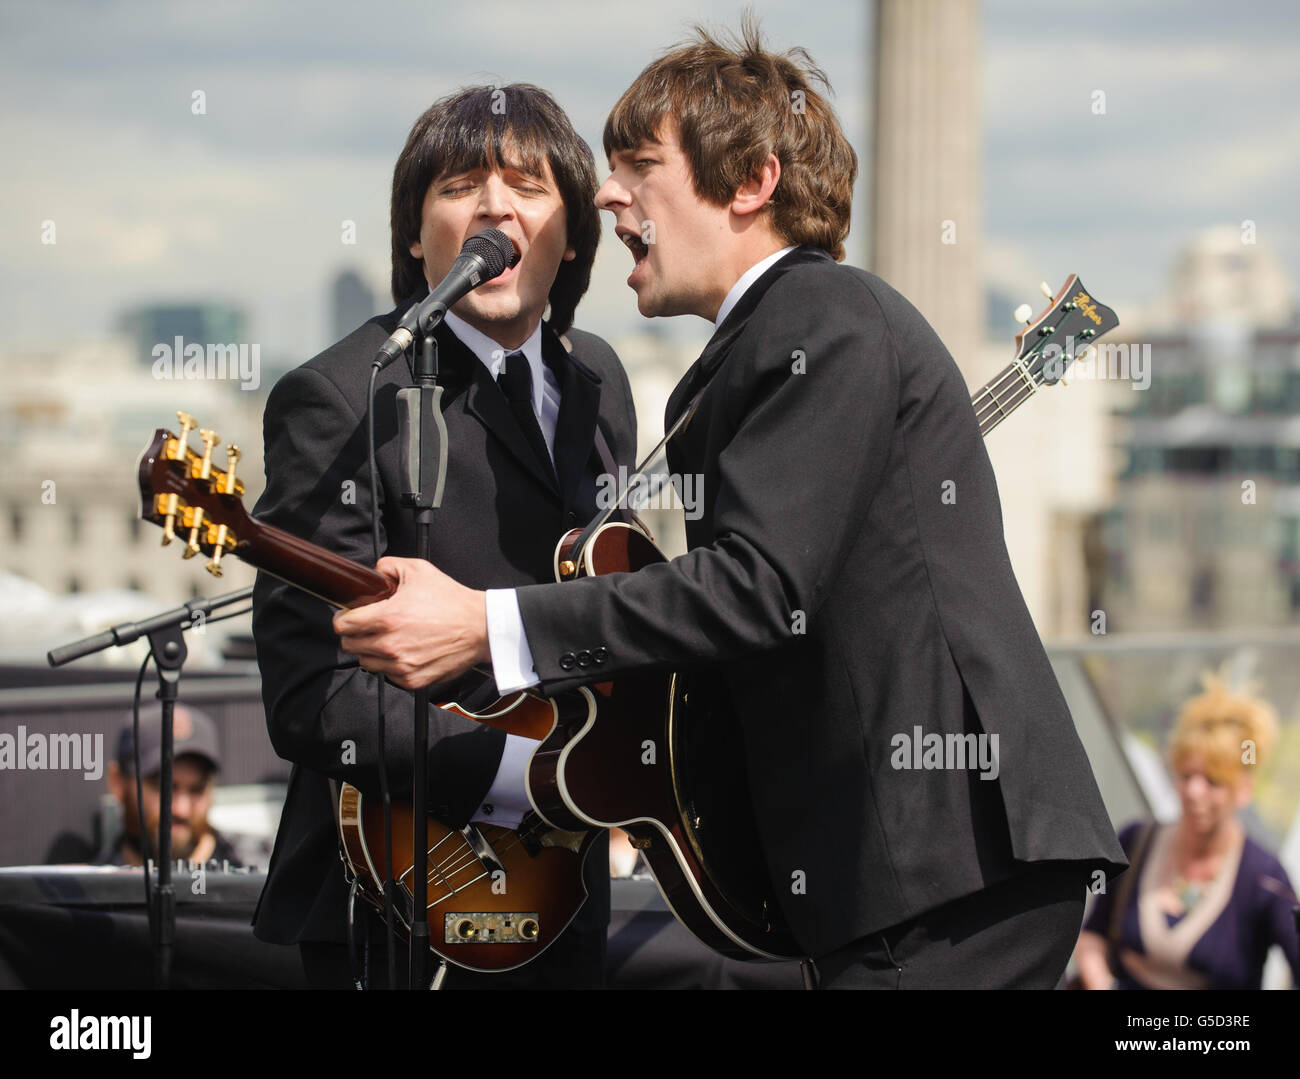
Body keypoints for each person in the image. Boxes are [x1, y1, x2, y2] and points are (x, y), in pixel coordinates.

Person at [332, 21, 1126, 989]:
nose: (609, 193)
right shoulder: (761, 348)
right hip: (913, 876)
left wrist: (482, 623)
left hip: (941, 866)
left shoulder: (819, 319)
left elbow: (755, 587)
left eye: (637, 165)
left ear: (750, 182)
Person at [250, 83, 636, 989]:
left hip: (562, 893)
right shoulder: (342, 394)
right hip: (392, 893)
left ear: (571, 235)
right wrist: (524, 779)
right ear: (416, 238)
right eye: (461, 185)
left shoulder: (602, 382)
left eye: (529, 187)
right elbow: (312, 691)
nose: (495, 207)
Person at [1074, 674, 1299, 990]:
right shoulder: (1135, 840)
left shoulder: (1264, 878)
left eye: (1212, 781)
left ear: (1243, 790)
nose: (1194, 791)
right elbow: (1093, 935)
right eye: (1186, 774)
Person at [47, 704, 243, 868]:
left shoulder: (258, 882)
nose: (181, 809)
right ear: (117, 782)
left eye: (197, 790)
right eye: (163, 788)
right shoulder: (88, 892)